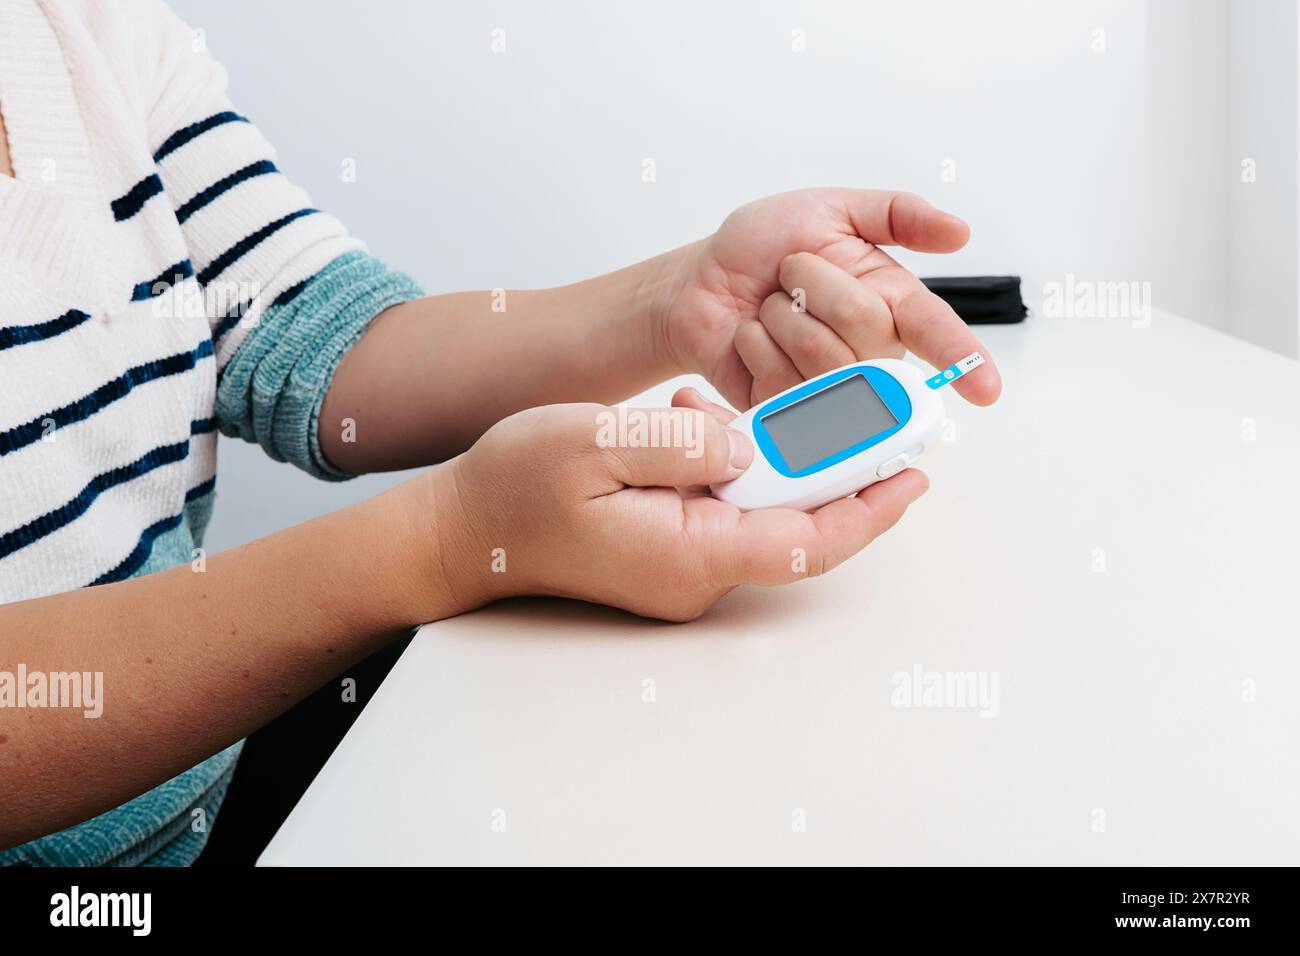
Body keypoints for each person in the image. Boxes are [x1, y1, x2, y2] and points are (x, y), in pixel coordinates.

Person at [0, 0, 1000, 865]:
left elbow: (306, 335)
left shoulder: (90, 29)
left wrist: (678, 303)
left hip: (213, 790)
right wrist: (445, 542)